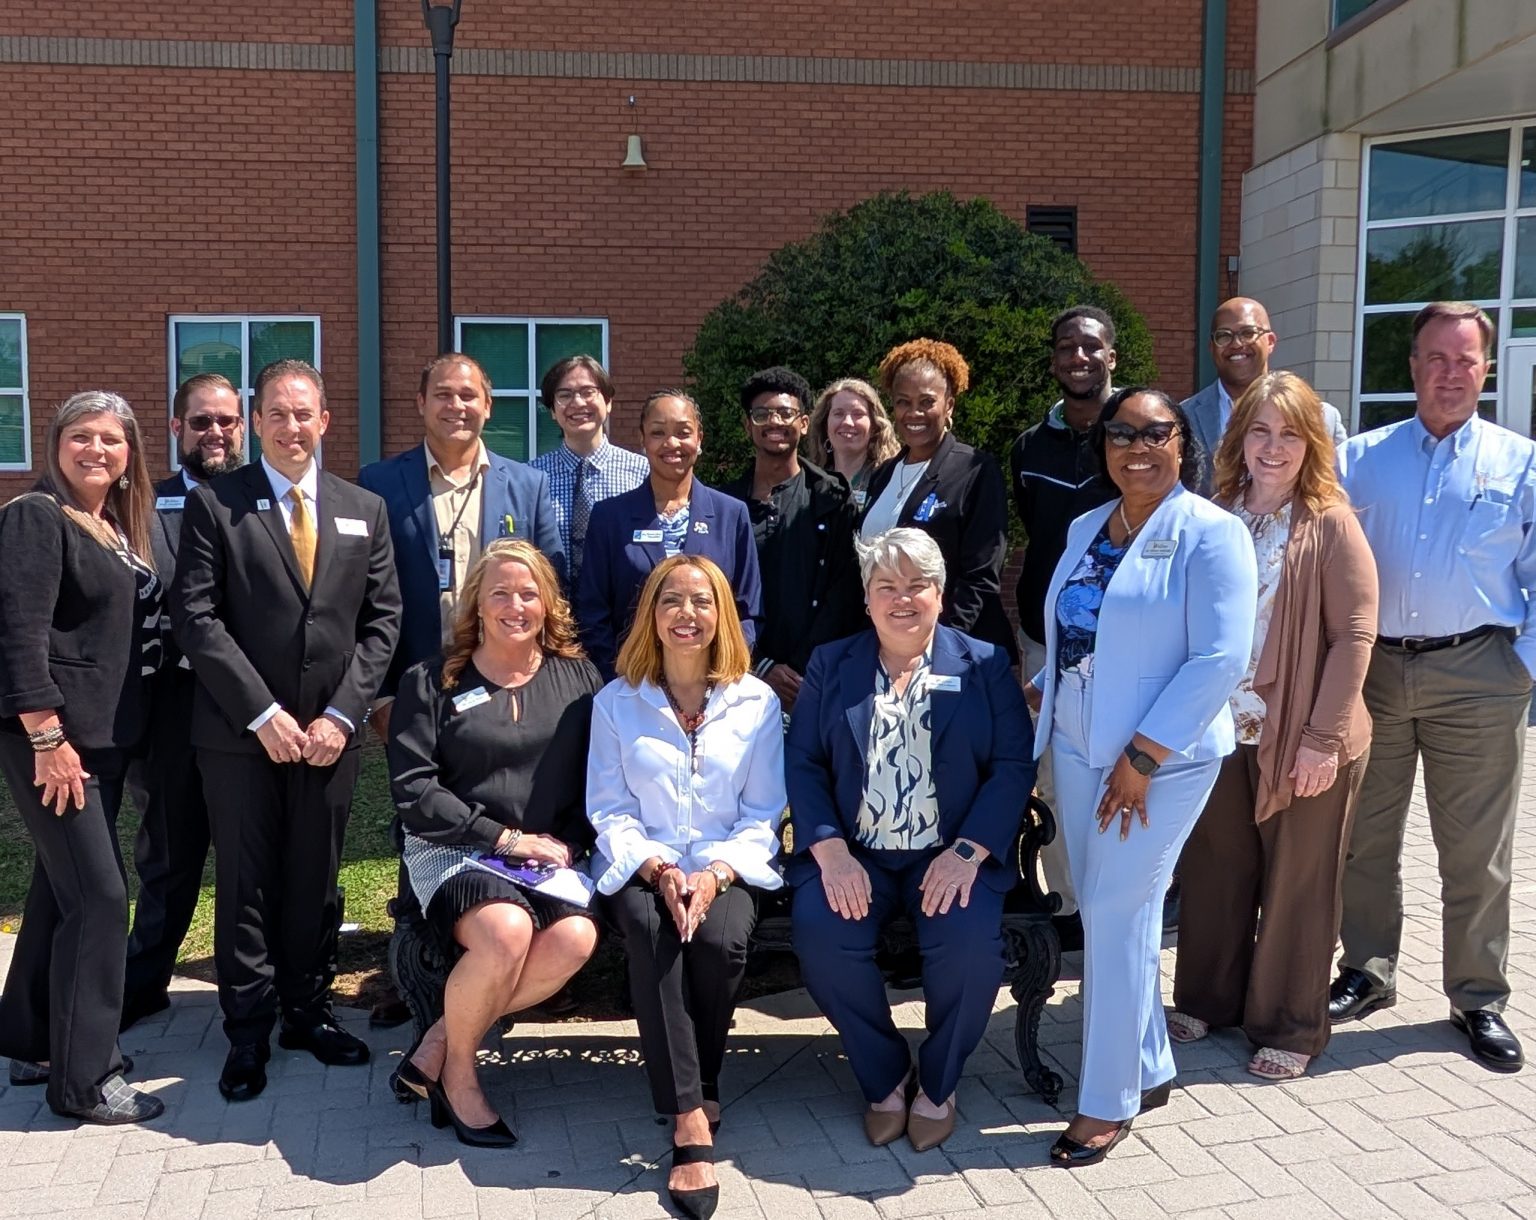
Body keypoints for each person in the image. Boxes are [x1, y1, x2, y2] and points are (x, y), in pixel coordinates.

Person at [1024, 387, 1256, 1165]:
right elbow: (1078, 628)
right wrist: (1046, 687)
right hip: (1078, 745)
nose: (1138, 448)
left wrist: (1143, 757)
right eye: (1122, 434)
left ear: (1183, 445)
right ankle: (1150, 1064)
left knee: (1116, 914)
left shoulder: (1212, 533)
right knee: (1110, 911)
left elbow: (1218, 658)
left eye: (1156, 433)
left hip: (1161, 760)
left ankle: (1108, 1100)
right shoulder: (1088, 525)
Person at [172, 359, 402, 1102]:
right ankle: (247, 1031)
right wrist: (262, 713)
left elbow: (383, 622)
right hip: (240, 738)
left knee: (314, 877)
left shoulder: (363, 508)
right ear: (256, 422)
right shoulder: (216, 504)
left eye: (305, 414)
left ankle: (307, 1011)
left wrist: (342, 714)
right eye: (277, 413)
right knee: (246, 883)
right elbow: (196, 618)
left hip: (330, 737)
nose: (292, 426)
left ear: (324, 421)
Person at [1329, 301, 1536, 1072]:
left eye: (1465, 360)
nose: (1451, 373)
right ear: (1412, 366)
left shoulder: (1521, 462)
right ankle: (1367, 970)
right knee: (1363, 836)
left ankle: (1477, 997)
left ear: (1487, 368)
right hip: (1375, 673)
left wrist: (1522, 665)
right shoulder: (1360, 460)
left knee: (1477, 851)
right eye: (1436, 358)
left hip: (1480, 674)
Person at [785, 528, 1033, 1153]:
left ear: (940, 594)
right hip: (856, 853)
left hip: (950, 853)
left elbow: (1012, 765)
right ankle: (885, 1075)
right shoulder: (832, 664)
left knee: (970, 948)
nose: (902, 599)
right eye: (886, 586)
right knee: (822, 935)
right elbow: (804, 762)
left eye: (917, 585)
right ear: (867, 598)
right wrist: (829, 850)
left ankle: (938, 1085)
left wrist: (969, 851)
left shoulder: (982, 665)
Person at [1168, 372, 1378, 1080]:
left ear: (1312, 442)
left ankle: (1290, 1023)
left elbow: (1354, 636)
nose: (1273, 446)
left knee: (1297, 885)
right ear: (1239, 438)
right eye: (1260, 430)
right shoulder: (1216, 511)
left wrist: (1321, 741)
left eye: (1290, 433)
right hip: (1222, 732)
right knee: (1215, 869)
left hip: (1305, 735)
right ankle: (1208, 997)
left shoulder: (1330, 521)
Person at [587, 555, 785, 1220]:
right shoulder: (617, 702)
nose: (687, 614)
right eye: (671, 600)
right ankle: (690, 1118)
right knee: (654, 932)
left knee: (721, 942)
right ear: (651, 613)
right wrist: (659, 869)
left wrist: (716, 873)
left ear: (722, 615)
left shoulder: (756, 702)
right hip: (643, 863)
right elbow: (609, 809)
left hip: (728, 864)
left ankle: (701, 1079)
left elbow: (763, 813)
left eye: (702, 601)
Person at [387, 539, 601, 1146]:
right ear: (476, 603)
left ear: (548, 604)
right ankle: (460, 1077)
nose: (515, 605)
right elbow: (414, 790)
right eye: (500, 593)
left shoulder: (580, 679)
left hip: (545, 855)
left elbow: (597, 776)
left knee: (576, 938)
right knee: (505, 930)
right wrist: (502, 838)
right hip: (455, 846)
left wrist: (566, 843)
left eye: (528, 593)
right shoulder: (432, 681)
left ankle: (435, 1045)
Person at [0, 391, 165, 1123]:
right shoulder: (36, 516)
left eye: (112, 439)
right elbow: (17, 633)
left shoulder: (110, 525)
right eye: (82, 435)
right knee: (99, 898)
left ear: (130, 454)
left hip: (104, 738)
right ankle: (87, 1079)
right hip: (55, 742)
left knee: (57, 891)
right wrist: (47, 739)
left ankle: (32, 1039)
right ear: (56, 442)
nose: (97, 449)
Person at [120, 372, 245, 1032]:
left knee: (255, 852)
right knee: (169, 854)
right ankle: (143, 986)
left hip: (250, 708)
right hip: (170, 705)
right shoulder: (143, 509)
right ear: (176, 429)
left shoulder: (265, 502)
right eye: (201, 422)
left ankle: (260, 987)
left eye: (226, 421)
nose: (215, 432)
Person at [358, 352, 565, 739]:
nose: (456, 406)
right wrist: (382, 697)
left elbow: (551, 590)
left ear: (487, 406)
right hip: (414, 687)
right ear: (421, 403)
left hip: (507, 682)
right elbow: (364, 597)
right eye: (443, 395)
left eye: (468, 395)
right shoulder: (378, 484)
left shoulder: (527, 485)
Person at [1008, 305, 1121, 934]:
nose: (1079, 357)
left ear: (1112, 356)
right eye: (1066, 348)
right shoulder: (1029, 447)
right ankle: (1073, 907)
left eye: (1091, 347)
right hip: (1046, 640)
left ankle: (1123, 899)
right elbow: (1040, 529)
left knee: (1121, 769)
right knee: (1054, 777)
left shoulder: (1135, 433)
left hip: (1125, 642)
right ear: (1053, 360)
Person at [576, 389, 762, 681]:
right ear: (642, 439)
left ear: (699, 439)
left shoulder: (731, 514)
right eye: (658, 432)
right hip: (632, 683)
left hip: (713, 683)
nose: (671, 443)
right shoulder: (609, 517)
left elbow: (748, 611)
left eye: (683, 432)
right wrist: (623, 678)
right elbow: (592, 610)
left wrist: (723, 671)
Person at [860, 339, 1015, 661]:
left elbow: (981, 575)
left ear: (949, 406)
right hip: (889, 647)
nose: (914, 413)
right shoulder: (883, 474)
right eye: (903, 402)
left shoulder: (974, 470)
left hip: (953, 649)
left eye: (927, 401)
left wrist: (941, 645)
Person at [723, 366, 860, 712]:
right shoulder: (723, 507)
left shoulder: (832, 498)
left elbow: (845, 591)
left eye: (785, 413)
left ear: (804, 423)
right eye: (761, 414)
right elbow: (720, 597)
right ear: (747, 426)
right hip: (739, 678)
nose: (774, 422)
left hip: (816, 680)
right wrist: (759, 665)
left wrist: (802, 667)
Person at [1181, 297, 1347, 495]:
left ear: (1270, 342)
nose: (1236, 344)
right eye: (1224, 336)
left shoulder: (1322, 418)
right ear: (1212, 347)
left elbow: (1337, 491)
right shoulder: (1183, 418)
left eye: (1248, 333)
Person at [530, 354, 650, 589]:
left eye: (588, 392)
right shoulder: (532, 478)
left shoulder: (643, 473)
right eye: (565, 395)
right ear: (552, 410)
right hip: (552, 606)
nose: (577, 403)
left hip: (625, 606)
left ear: (608, 402)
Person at [805, 377, 900, 510]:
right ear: (825, 424)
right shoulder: (809, 481)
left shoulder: (889, 479)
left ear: (874, 425)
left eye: (858, 414)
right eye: (838, 414)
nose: (847, 422)